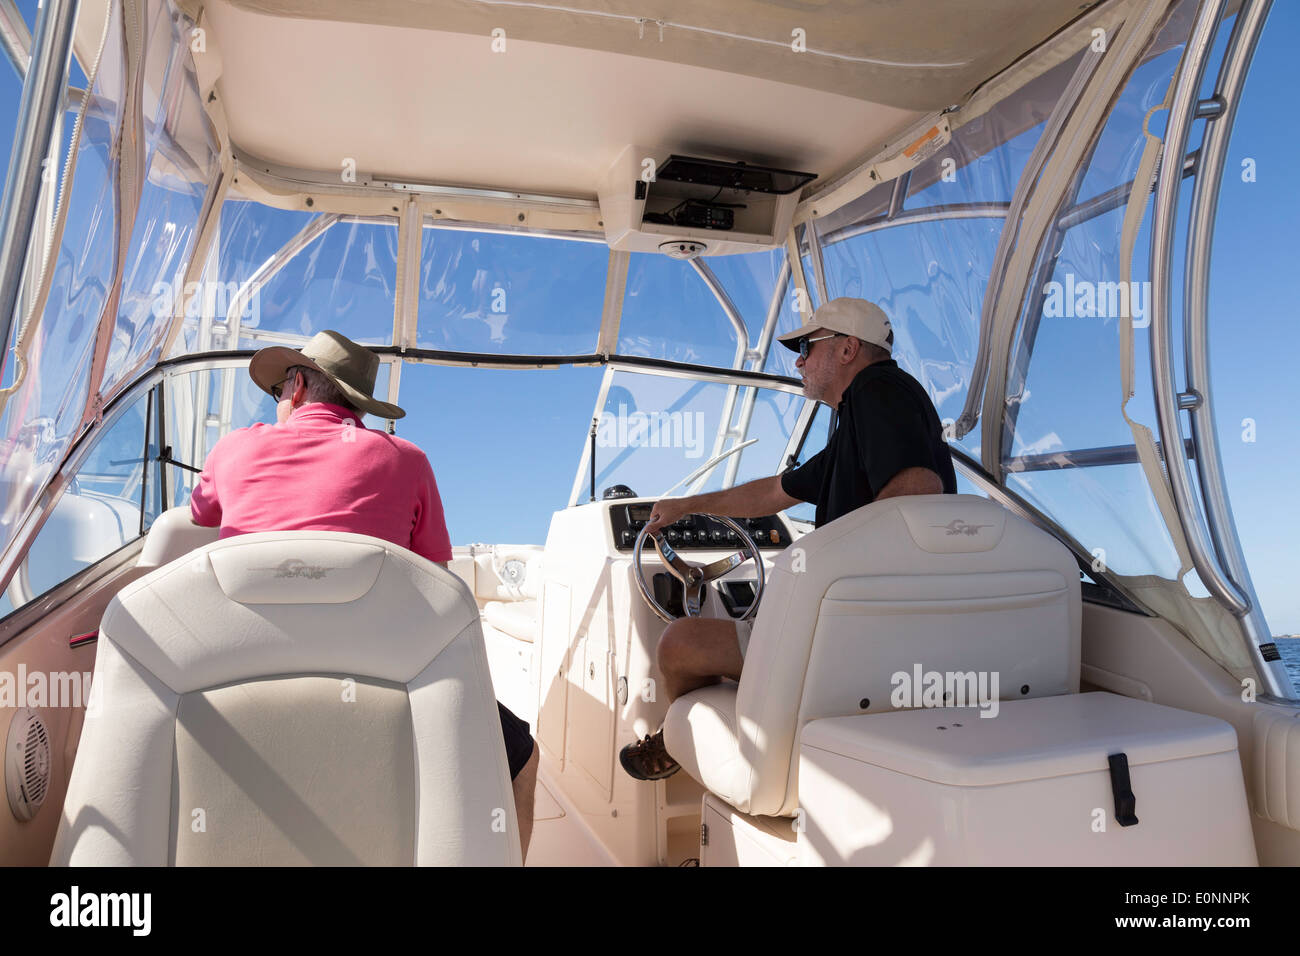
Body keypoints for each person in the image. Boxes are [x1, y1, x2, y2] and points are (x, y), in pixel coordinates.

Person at [189, 329, 539, 857]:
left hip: (240, 690)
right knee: (523, 756)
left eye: (279, 391)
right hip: (380, 699)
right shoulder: (409, 461)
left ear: (300, 386)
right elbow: (438, 585)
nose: (277, 402)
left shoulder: (233, 449)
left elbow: (200, 513)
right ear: (357, 404)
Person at [619, 297, 957, 780]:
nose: (798, 360)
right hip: (868, 630)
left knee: (679, 644)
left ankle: (684, 737)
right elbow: (775, 492)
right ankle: (737, 725)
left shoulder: (879, 389)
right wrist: (687, 506)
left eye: (806, 346)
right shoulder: (858, 421)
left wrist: (842, 581)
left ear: (847, 349)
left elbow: (918, 493)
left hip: (856, 635)